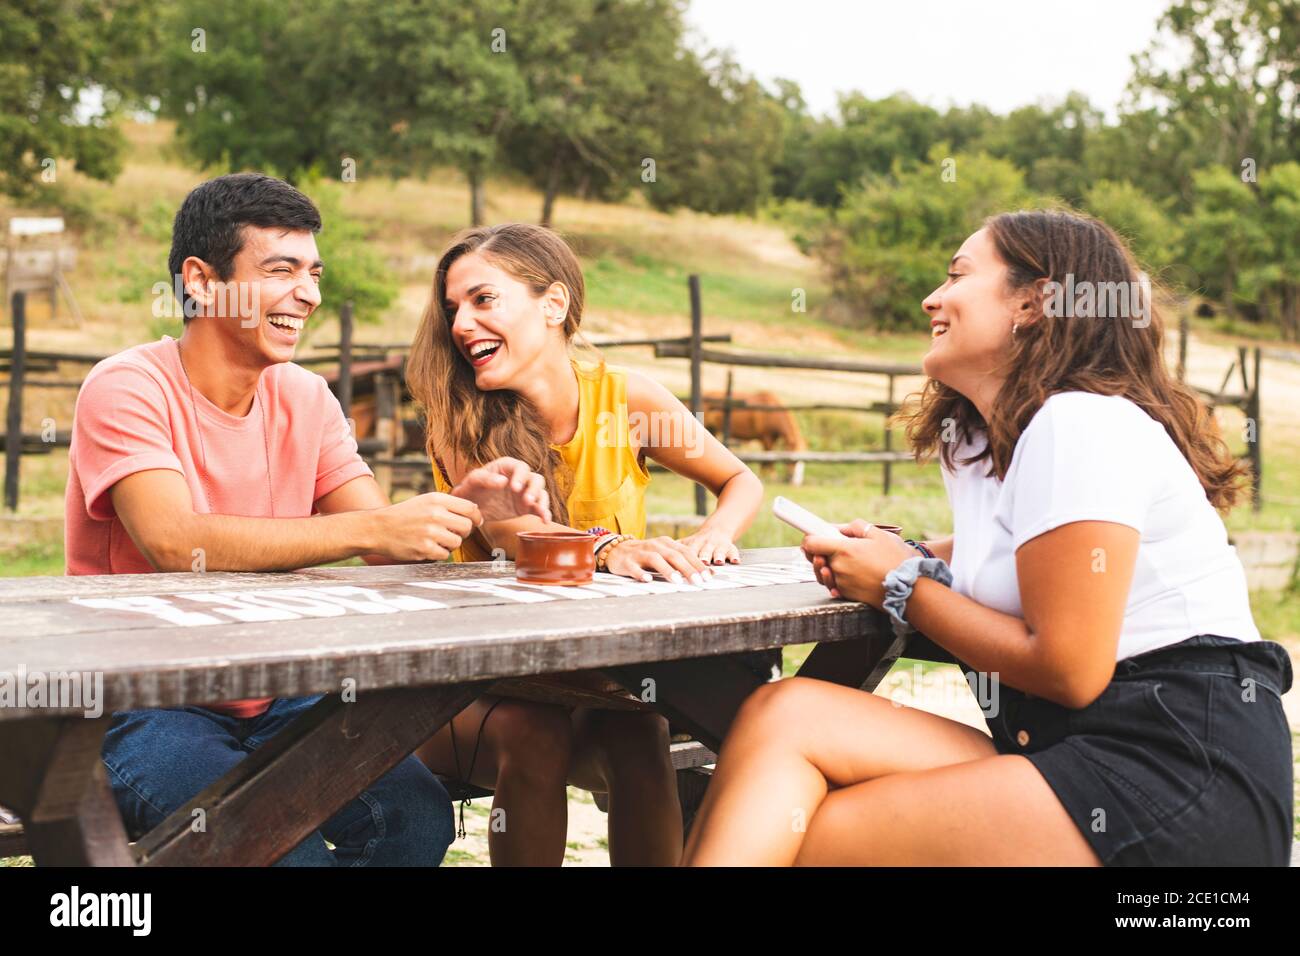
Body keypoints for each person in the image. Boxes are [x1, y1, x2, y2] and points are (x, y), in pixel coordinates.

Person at [681, 209, 1294, 866]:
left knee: (809, 838)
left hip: (1173, 775)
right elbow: (1007, 558)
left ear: (1033, 302)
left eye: (956, 276)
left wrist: (900, 584)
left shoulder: (1080, 424)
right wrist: (904, 555)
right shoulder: (993, 444)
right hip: (1069, 749)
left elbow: (1068, 667)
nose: (931, 298)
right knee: (787, 713)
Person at [68, 174, 549, 866]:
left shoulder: (307, 398)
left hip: (281, 695)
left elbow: (386, 541)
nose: (309, 294)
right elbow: (174, 540)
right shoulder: (126, 387)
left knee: (414, 820)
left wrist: (468, 511)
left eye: (314, 273)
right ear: (201, 282)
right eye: (281, 271)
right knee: (283, 851)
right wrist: (372, 532)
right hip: (139, 705)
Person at [406, 223, 764, 865]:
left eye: (483, 300)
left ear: (554, 304)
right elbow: (512, 536)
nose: (461, 324)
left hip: (603, 675)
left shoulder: (628, 400)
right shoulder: (458, 417)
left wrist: (716, 532)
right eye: (453, 308)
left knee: (642, 731)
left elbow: (739, 480)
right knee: (537, 733)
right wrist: (606, 548)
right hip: (484, 684)